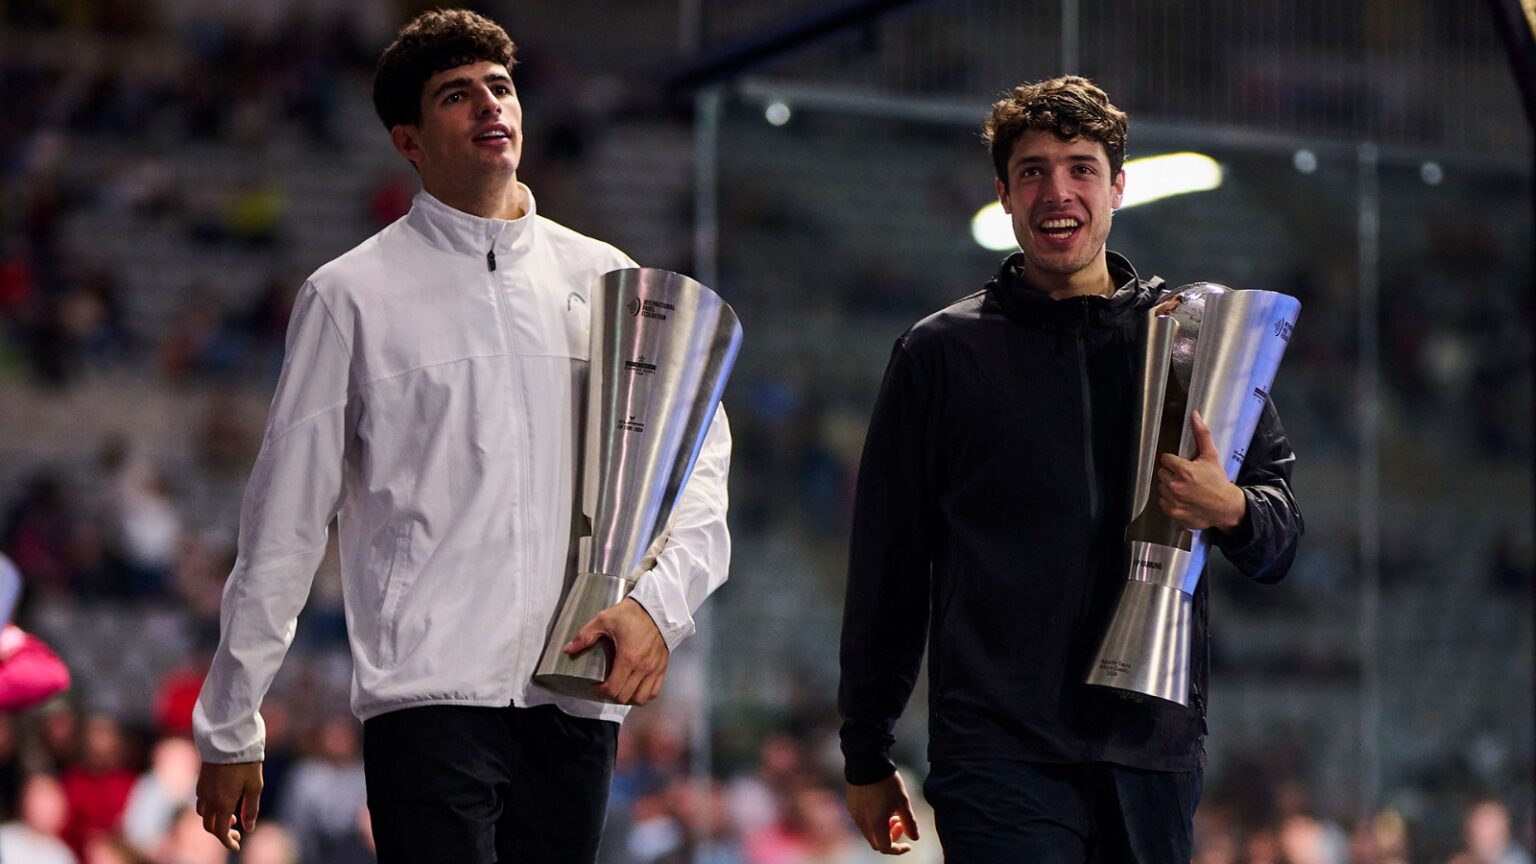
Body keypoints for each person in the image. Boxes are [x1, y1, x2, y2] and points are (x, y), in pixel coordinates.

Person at [191, 10, 732, 864]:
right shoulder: (350, 296)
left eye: (501, 87)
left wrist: (658, 610)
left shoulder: (607, 279)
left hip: (577, 698)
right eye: (457, 94)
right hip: (428, 704)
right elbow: (284, 524)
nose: (490, 105)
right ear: (408, 139)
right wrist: (231, 723)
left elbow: (697, 465)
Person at [837, 76, 1301, 862]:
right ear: (1005, 194)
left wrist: (1230, 509)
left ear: (1119, 186)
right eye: (1033, 171)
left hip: (1151, 747)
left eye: (1082, 168)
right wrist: (865, 752)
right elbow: (888, 564)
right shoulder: (939, 354)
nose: (1059, 192)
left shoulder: (1194, 341)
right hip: (997, 752)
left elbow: (1281, 539)